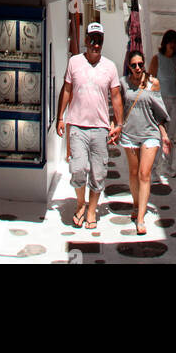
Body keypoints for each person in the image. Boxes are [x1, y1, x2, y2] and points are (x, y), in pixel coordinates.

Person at [57, 21, 123, 230]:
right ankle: (80, 203)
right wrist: (60, 117)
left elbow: (116, 97)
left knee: (98, 172)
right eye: (92, 40)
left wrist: (119, 124)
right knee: (77, 169)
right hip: (76, 125)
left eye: (99, 41)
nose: (96, 45)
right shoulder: (74, 62)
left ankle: (92, 209)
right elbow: (67, 90)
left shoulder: (110, 66)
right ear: (86, 40)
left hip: (100, 127)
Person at [120, 51, 171, 235]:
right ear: (129, 67)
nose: (138, 68)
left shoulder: (153, 83)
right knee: (133, 173)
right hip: (129, 133)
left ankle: (141, 217)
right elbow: (119, 108)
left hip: (150, 132)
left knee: (144, 173)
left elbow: (159, 111)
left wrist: (163, 134)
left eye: (140, 64)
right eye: (134, 65)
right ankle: (136, 204)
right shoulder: (123, 83)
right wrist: (114, 126)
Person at [149, 29, 176, 177]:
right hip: (161, 100)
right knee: (158, 136)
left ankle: (167, 166)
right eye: (170, 42)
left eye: (175, 42)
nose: (173, 45)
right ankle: (153, 168)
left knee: (170, 136)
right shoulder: (157, 59)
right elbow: (150, 79)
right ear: (165, 43)